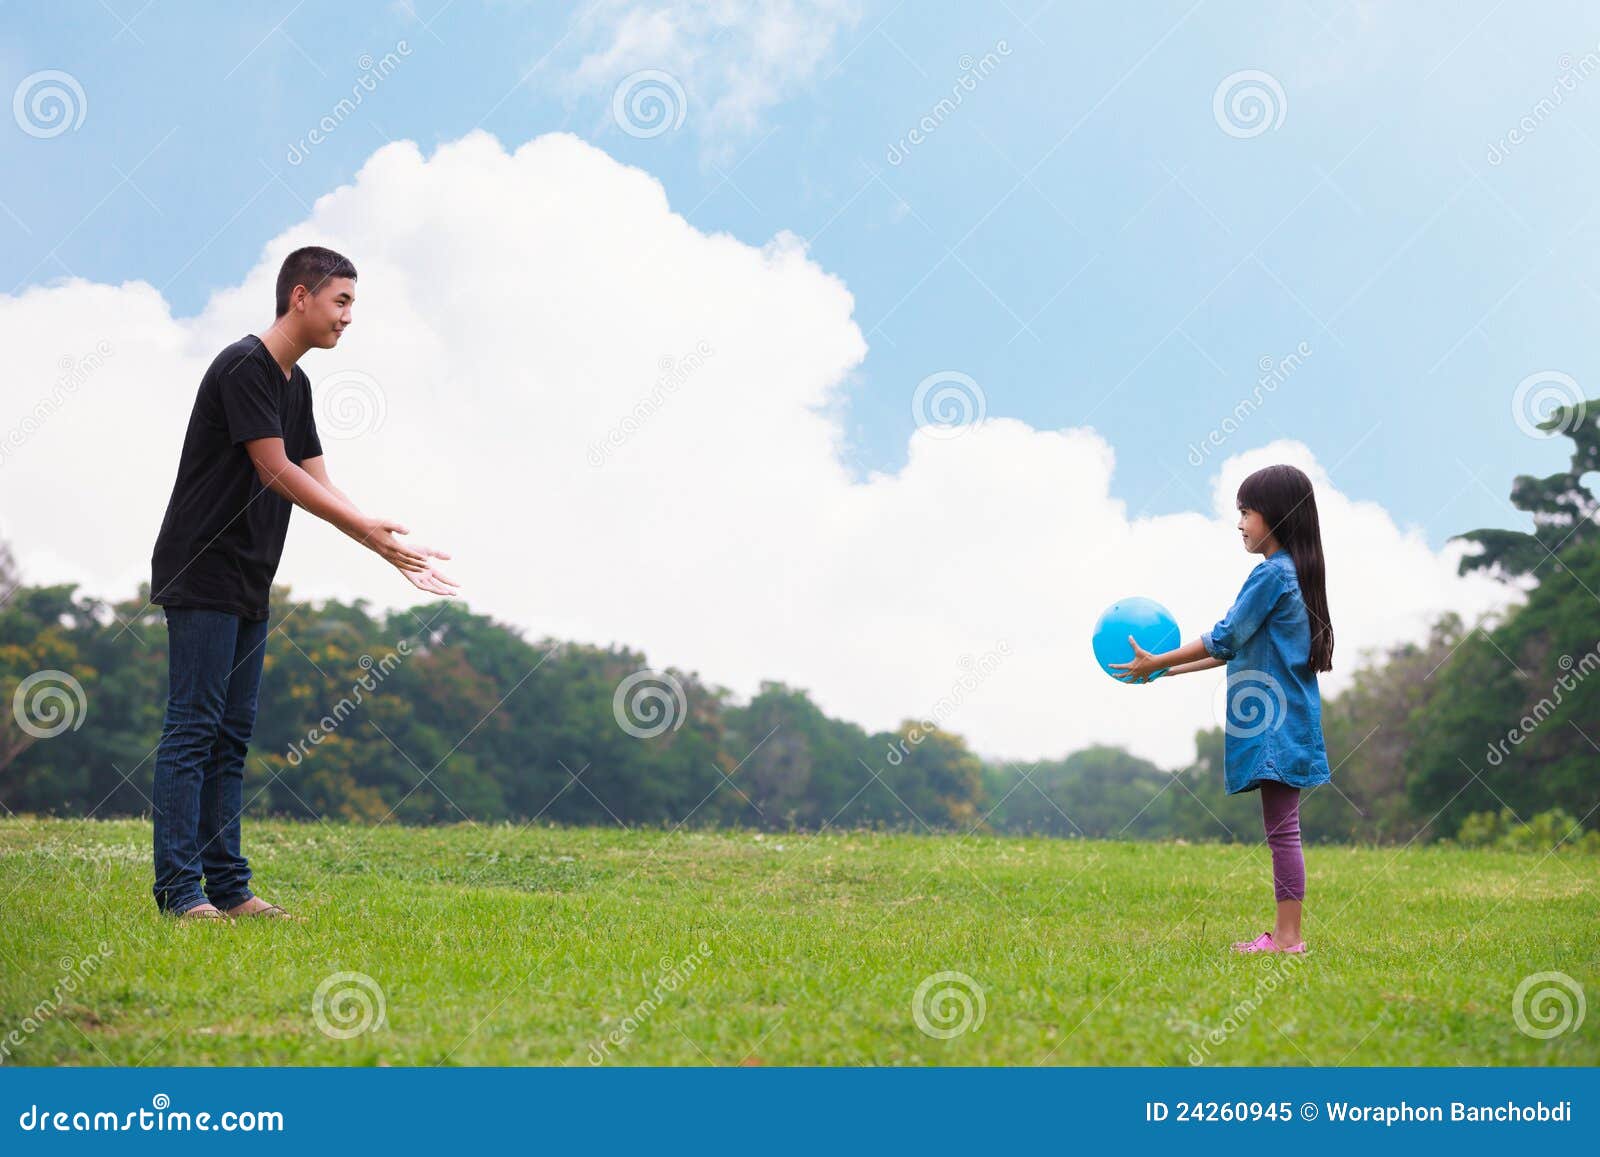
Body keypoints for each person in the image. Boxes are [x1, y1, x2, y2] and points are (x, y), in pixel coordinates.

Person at [147, 246, 459, 920]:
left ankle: (228, 889)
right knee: (193, 729)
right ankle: (179, 891)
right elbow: (274, 470)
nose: (349, 317)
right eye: (341, 301)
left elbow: (317, 481)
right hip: (202, 567)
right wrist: (366, 533)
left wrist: (378, 537)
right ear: (300, 297)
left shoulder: (296, 385)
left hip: (250, 574)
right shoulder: (244, 367)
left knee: (231, 735)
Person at [1110, 463, 1334, 954]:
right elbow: (1234, 647)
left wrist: (1159, 658)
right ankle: (1286, 935)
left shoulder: (1271, 575)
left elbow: (1227, 635)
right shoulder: (1297, 573)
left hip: (1275, 725)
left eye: (1246, 512)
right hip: (1290, 719)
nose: (1240, 523)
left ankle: (1289, 938)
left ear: (1275, 515)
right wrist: (1166, 669)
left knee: (1283, 832)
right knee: (1283, 829)